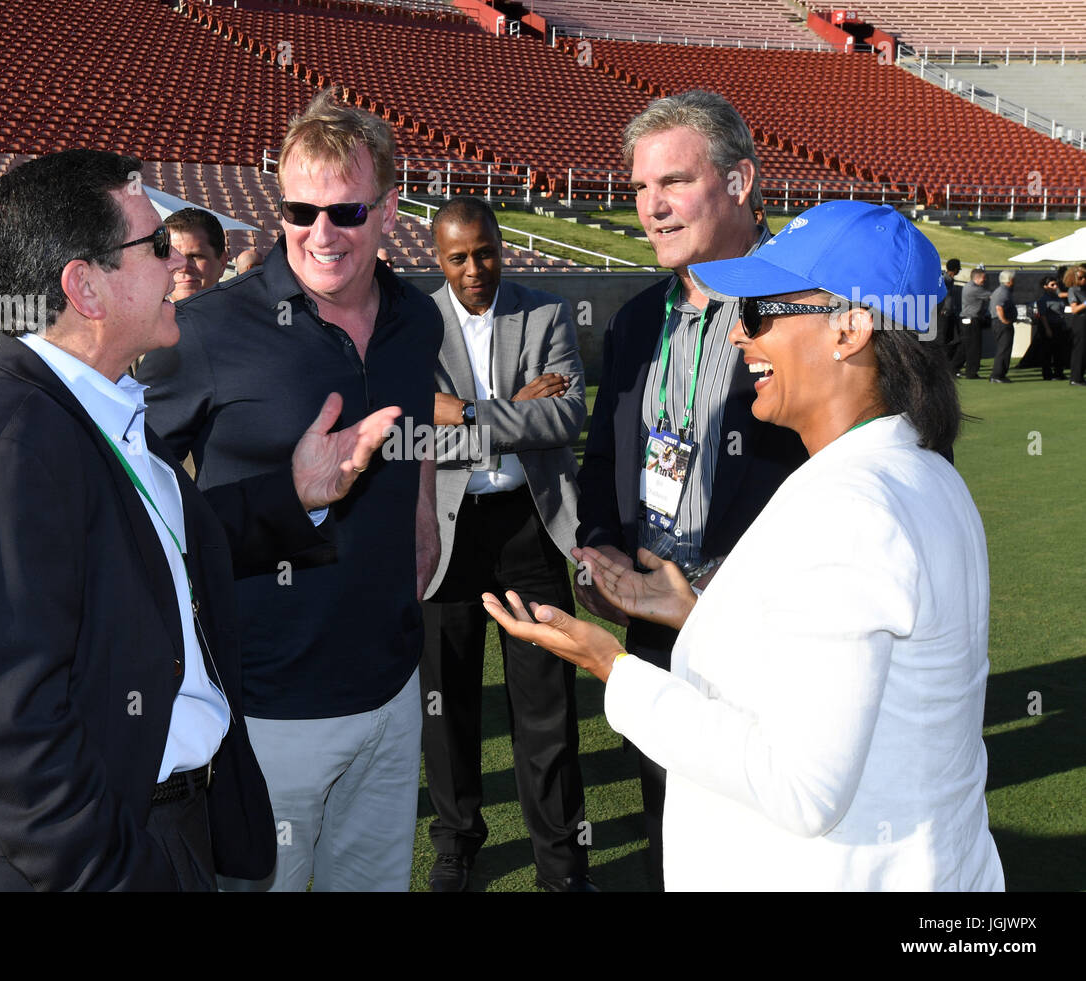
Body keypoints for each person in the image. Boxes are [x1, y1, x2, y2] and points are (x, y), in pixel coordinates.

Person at [0, 148, 400, 891]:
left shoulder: (97, 407)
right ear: (86, 286)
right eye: (156, 245)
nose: (179, 262)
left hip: (164, 829)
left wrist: (295, 492)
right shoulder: (5, 445)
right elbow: (4, 735)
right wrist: (125, 872)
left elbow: (165, 549)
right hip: (95, 858)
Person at [486, 200, 1005, 891]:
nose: (739, 336)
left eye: (759, 313)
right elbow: (837, 665)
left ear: (850, 328)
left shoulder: (851, 506)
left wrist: (614, 667)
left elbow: (800, 787)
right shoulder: (915, 472)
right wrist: (697, 609)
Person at [138, 91, 443, 891]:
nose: (321, 233)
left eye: (345, 211)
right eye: (300, 210)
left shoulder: (420, 320)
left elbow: (409, 429)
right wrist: (291, 491)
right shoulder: (205, 328)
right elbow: (132, 495)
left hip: (392, 686)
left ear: (390, 209)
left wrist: (419, 510)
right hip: (267, 708)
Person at [574, 89, 806, 889]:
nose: (651, 206)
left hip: (771, 632)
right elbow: (605, 451)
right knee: (672, 829)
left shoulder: (810, 305)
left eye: (672, 181)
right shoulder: (638, 319)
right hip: (654, 624)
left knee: (773, 837)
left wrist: (720, 587)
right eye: (639, 188)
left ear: (739, 182)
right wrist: (599, 550)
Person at [421, 196, 590, 892]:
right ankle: (458, 844)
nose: (474, 268)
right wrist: (515, 409)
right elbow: (416, 433)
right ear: (438, 257)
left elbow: (567, 416)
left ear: (501, 245)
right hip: (448, 532)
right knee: (447, 704)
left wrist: (464, 414)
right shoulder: (413, 324)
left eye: (484, 251)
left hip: (530, 525)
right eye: (458, 256)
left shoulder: (546, 311)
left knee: (546, 708)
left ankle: (562, 863)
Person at [166, 207, 227, 300]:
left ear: (222, 263)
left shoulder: (246, 313)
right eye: (173, 257)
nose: (184, 268)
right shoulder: (142, 314)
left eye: (195, 256)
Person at [1029, 274, 1067, 380]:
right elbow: (1043, 315)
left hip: (1058, 325)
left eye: (1056, 284)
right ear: (1045, 287)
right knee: (1047, 351)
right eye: (1052, 285)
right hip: (1049, 325)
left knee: (1059, 350)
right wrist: (1047, 329)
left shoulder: (1057, 298)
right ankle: (1047, 374)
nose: (1055, 287)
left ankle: (1059, 372)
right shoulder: (1043, 300)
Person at [958, 265, 991, 379]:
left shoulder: (968, 286)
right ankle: (971, 372)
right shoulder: (975, 289)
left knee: (965, 347)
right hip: (972, 320)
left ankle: (953, 368)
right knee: (974, 347)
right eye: (983, 278)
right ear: (976, 278)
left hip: (966, 320)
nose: (985, 281)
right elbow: (991, 296)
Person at [987, 269, 1017, 383]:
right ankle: (997, 375)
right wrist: (1004, 320)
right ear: (1009, 280)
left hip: (999, 323)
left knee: (1004, 348)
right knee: (1004, 349)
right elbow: (999, 307)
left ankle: (999, 374)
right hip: (1001, 324)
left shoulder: (1002, 291)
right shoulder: (1003, 292)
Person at [940, 257, 963, 373]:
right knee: (946, 340)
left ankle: (949, 365)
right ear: (955, 269)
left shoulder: (949, 280)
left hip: (950, 313)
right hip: (944, 314)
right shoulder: (944, 280)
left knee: (955, 340)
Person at [1067, 266, 1086, 387]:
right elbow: (1074, 309)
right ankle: (1075, 378)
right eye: (1081, 277)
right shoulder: (1073, 290)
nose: (1084, 279)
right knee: (1079, 349)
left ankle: (1080, 376)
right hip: (1080, 321)